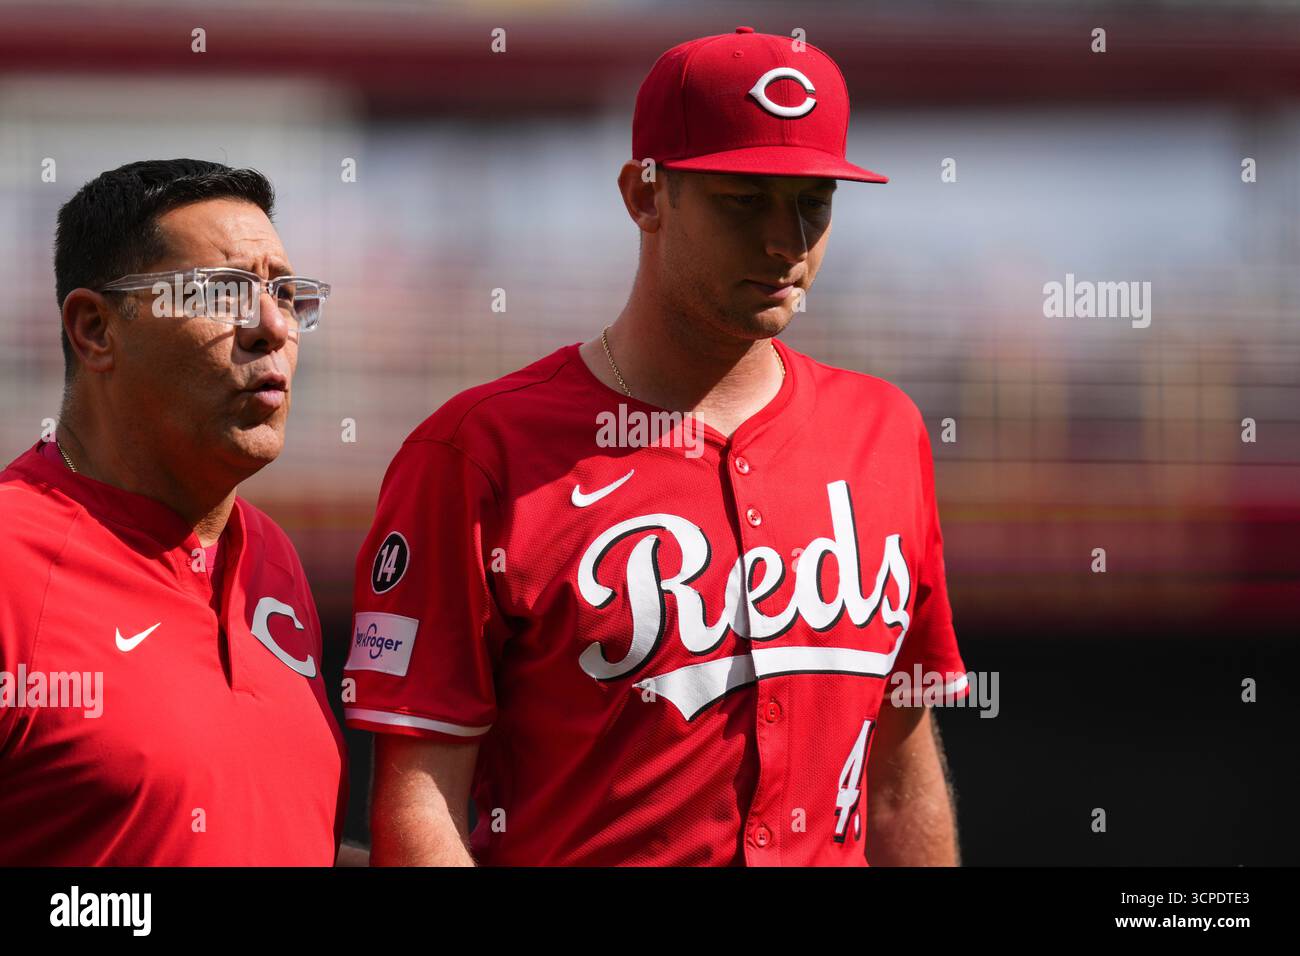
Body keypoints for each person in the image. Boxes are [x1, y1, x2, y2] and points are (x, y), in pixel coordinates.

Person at [349, 28, 970, 866]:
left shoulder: (885, 430)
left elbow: (899, 768)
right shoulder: (476, 452)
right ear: (645, 196)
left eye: (812, 201)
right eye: (743, 200)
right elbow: (420, 796)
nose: (785, 242)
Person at [0, 159, 349, 865]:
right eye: (222, 294)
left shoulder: (272, 560)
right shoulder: (11, 563)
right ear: (96, 329)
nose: (271, 327)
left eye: (287, 295)